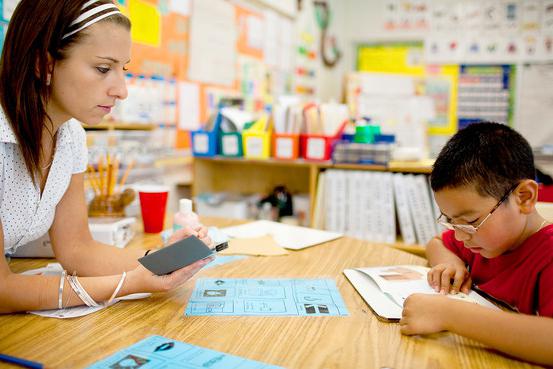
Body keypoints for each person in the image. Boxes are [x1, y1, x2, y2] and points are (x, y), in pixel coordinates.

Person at [0, 0, 212, 314]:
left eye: (122, 69)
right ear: (43, 65)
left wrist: (164, 257)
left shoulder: (71, 136)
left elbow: (77, 250)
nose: (122, 90)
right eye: (103, 69)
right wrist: (132, 282)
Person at [399, 122, 553, 366]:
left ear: (524, 197)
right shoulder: (484, 241)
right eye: (452, 222)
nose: (460, 236)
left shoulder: (548, 254)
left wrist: (449, 314)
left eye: (470, 221)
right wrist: (449, 262)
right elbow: (437, 243)